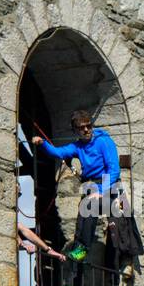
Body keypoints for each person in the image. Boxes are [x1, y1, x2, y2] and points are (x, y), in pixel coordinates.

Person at [31, 110, 123, 263]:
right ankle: (77, 262)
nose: (86, 130)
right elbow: (58, 153)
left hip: (109, 185)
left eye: (88, 126)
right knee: (81, 224)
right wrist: (42, 144)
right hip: (92, 185)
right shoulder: (78, 147)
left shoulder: (103, 141)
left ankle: (87, 252)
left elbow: (113, 169)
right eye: (81, 127)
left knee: (108, 220)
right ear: (75, 130)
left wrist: (101, 191)